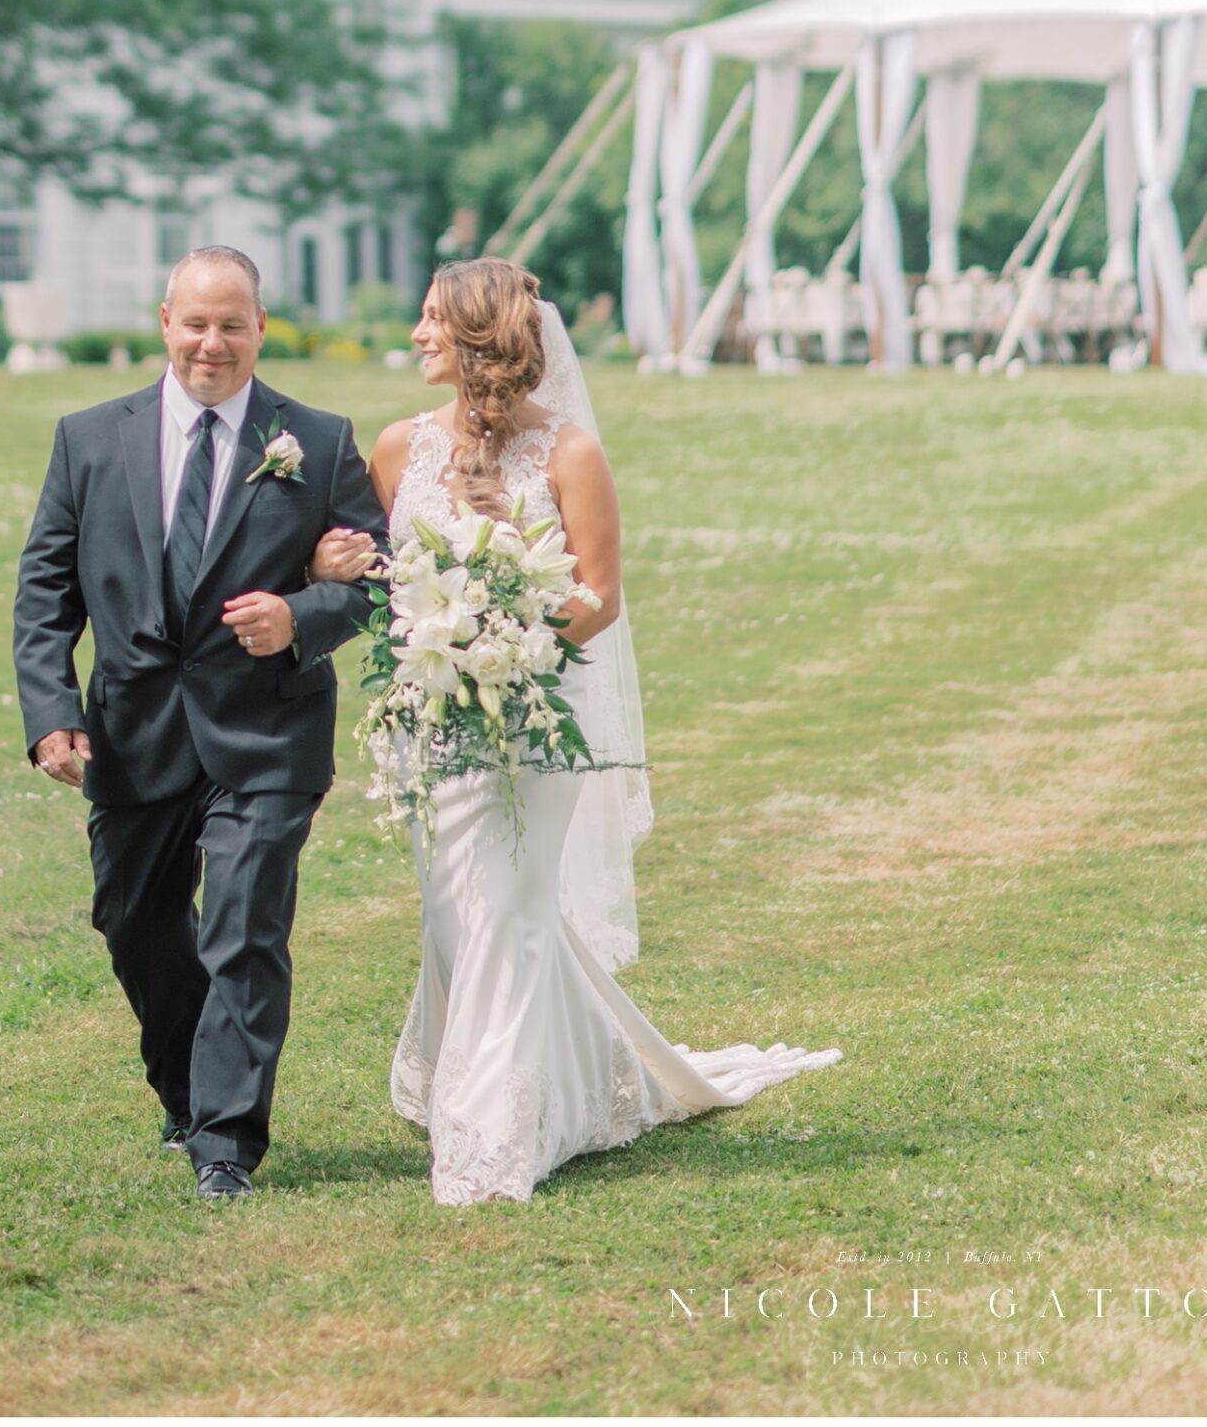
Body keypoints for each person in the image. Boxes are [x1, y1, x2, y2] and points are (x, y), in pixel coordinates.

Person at [328, 255, 842, 1206]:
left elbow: (598, 596)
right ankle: (558, 1072)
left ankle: (495, 1133)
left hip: (526, 724)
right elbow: (367, 579)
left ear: (481, 335)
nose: (417, 335)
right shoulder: (399, 449)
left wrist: (510, 643)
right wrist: (346, 567)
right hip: (430, 723)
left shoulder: (569, 455)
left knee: (512, 915)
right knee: (452, 916)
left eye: (434, 319)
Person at [12, 245, 389, 1202]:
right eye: (195, 322)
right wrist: (53, 710)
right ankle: (185, 1092)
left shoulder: (319, 440)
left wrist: (299, 618)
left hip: (267, 736)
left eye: (232, 324)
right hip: (132, 733)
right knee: (133, 923)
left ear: (263, 329)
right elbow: (45, 591)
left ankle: (225, 1141)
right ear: (165, 322)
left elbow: (375, 578)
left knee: (244, 928)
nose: (211, 343)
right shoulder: (89, 438)